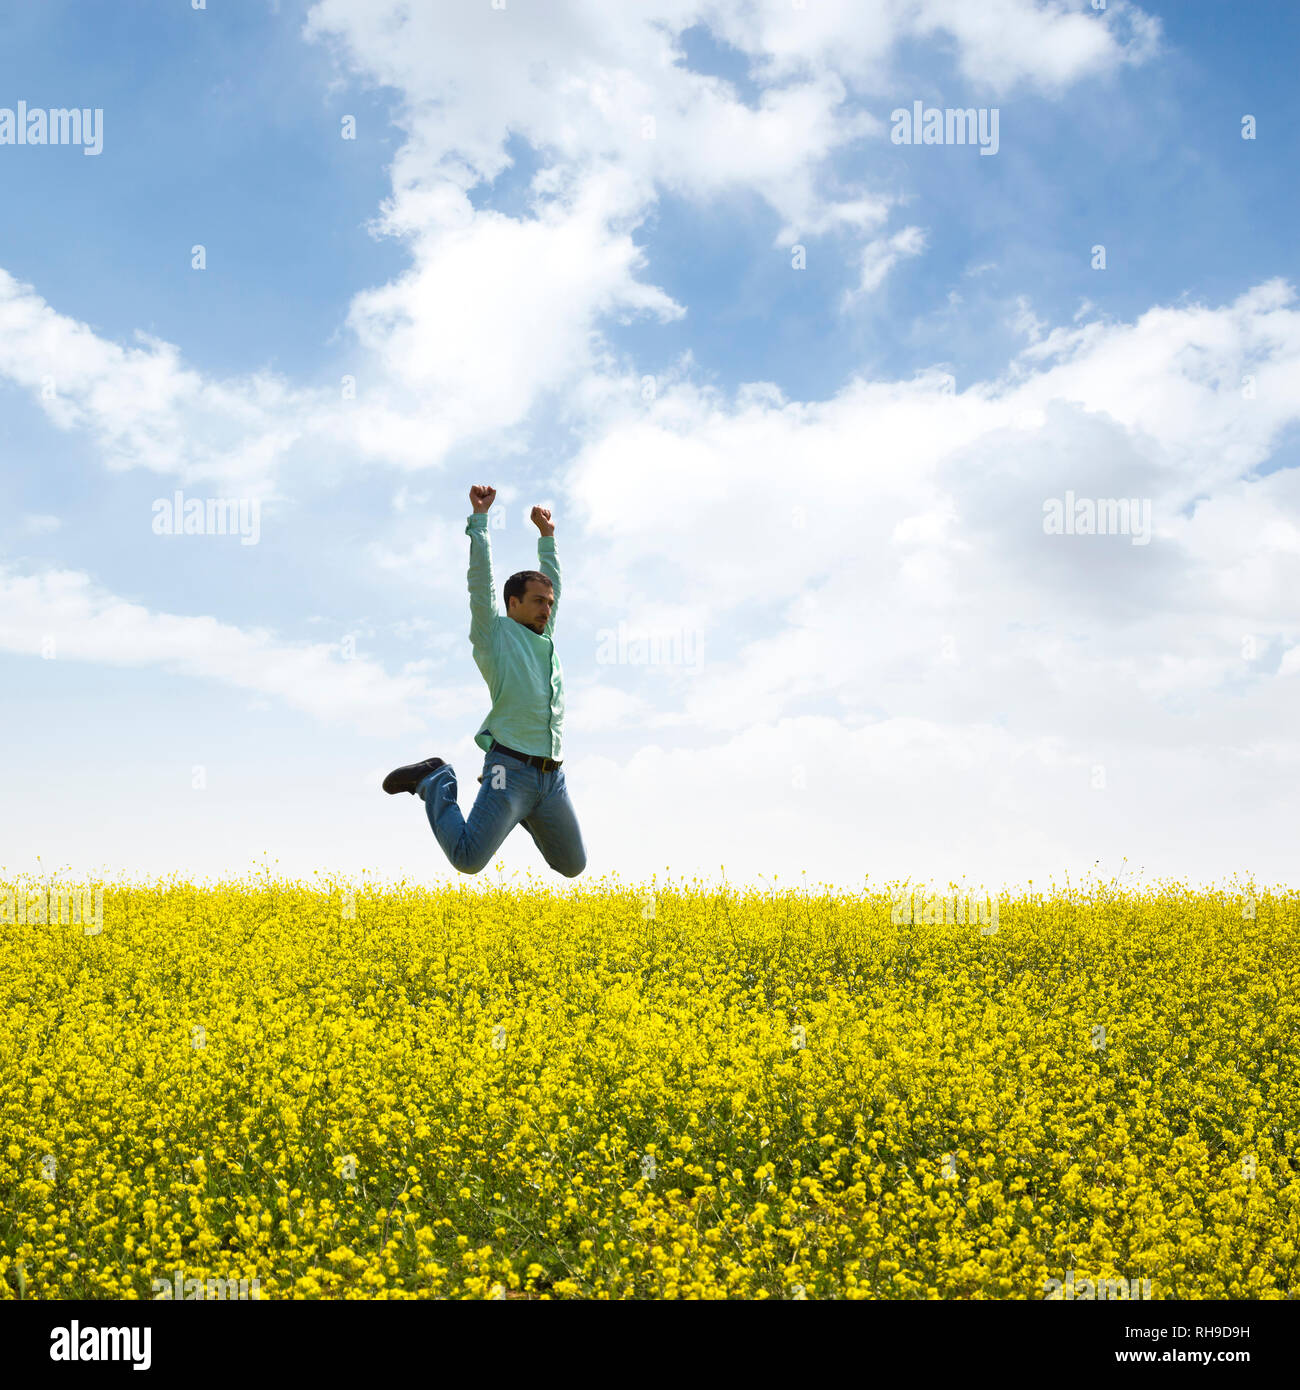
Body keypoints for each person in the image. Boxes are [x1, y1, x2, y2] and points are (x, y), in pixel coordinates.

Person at [382, 484, 586, 877]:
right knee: (468, 858)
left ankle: (520, 813)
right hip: (508, 770)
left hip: (551, 779)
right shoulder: (495, 635)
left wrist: (548, 539)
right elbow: (482, 582)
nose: (547, 608)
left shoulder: (545, 638)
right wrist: (480, 521)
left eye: (550, 603)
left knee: (572, 865)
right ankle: (434, 779)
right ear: (514, 603)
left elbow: (553, 581)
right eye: (538, 601)